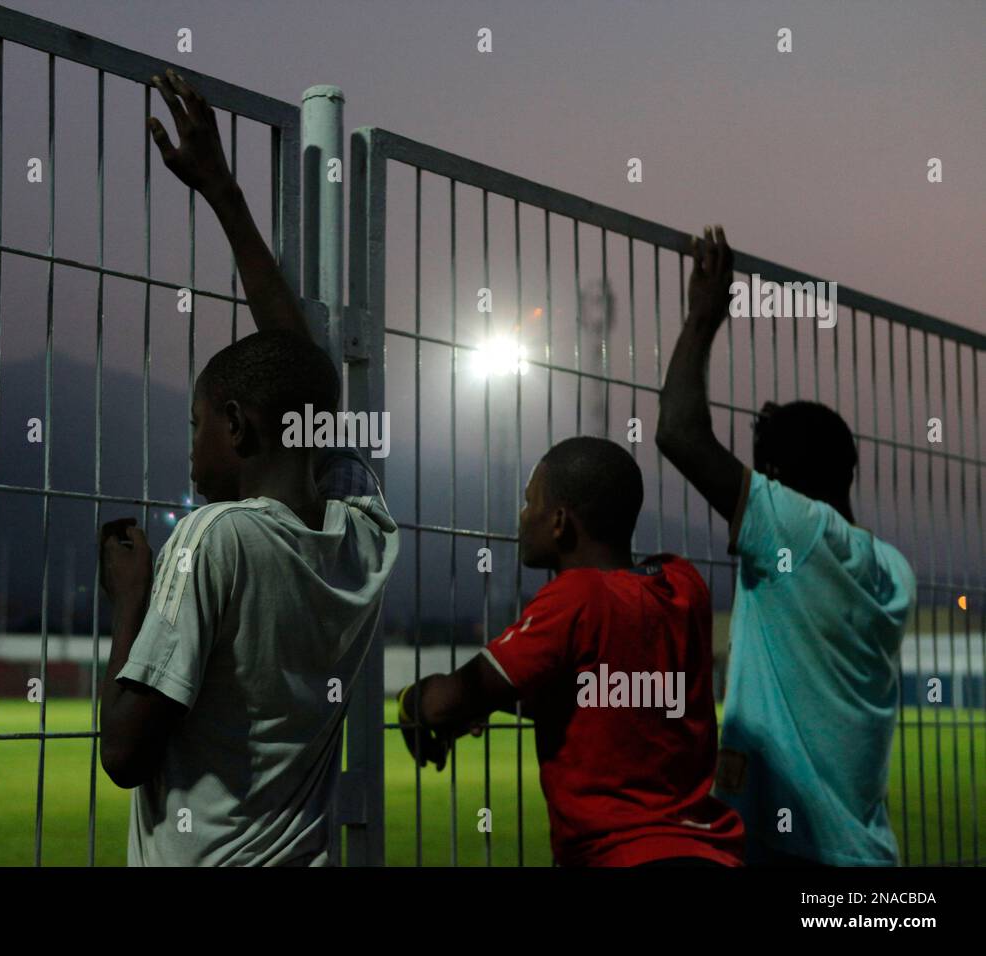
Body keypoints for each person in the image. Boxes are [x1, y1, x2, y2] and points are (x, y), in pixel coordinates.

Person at [95, 70, 398, 866]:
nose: (191, 446)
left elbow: (123, 754)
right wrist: (224, 193)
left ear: (235, 426)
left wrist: (129, 601)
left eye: (197, 423)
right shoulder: (365, 539)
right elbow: (300, 374)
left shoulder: (213, 539)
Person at [657, 226, 914, 865]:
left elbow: (679, 435)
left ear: (775, 481)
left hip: (797, 857)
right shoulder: (894, 569)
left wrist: (702, 318)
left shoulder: (792, 529)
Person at [397, 436, 744, 866]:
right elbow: (611, 698)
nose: (522, 517)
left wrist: (413, 700)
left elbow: (447, 701)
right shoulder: (683, 582)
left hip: (619, 857)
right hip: (710, 853)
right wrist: (496, 702)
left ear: (559, 521)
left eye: (529, 503)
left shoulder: (575, 598)